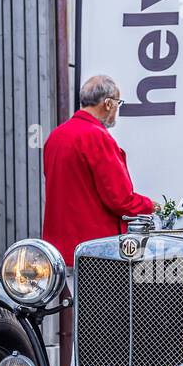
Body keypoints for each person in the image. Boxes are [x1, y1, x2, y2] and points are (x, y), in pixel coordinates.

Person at [43, 75, 154, 267]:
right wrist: (151, 206)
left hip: (57, 252)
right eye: (118, 103)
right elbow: (121, 200)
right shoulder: (97, 136)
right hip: (95, 251)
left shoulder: (56, 136)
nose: (117, 109)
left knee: (67, 299)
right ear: (108, 104)